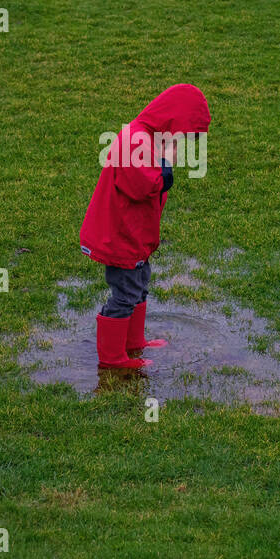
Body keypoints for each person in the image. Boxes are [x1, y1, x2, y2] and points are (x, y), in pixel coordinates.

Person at [79, 84, 211, 369]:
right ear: (174, 121)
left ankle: (134, 342)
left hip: (133, 235)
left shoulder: (146, 136)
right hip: (121, 236)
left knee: (139, 286)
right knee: (124, 294)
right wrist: (165, 165)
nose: (183, 142)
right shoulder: (137, 141)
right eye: (184, 135)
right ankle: (113, 358)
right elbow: (143, 186)